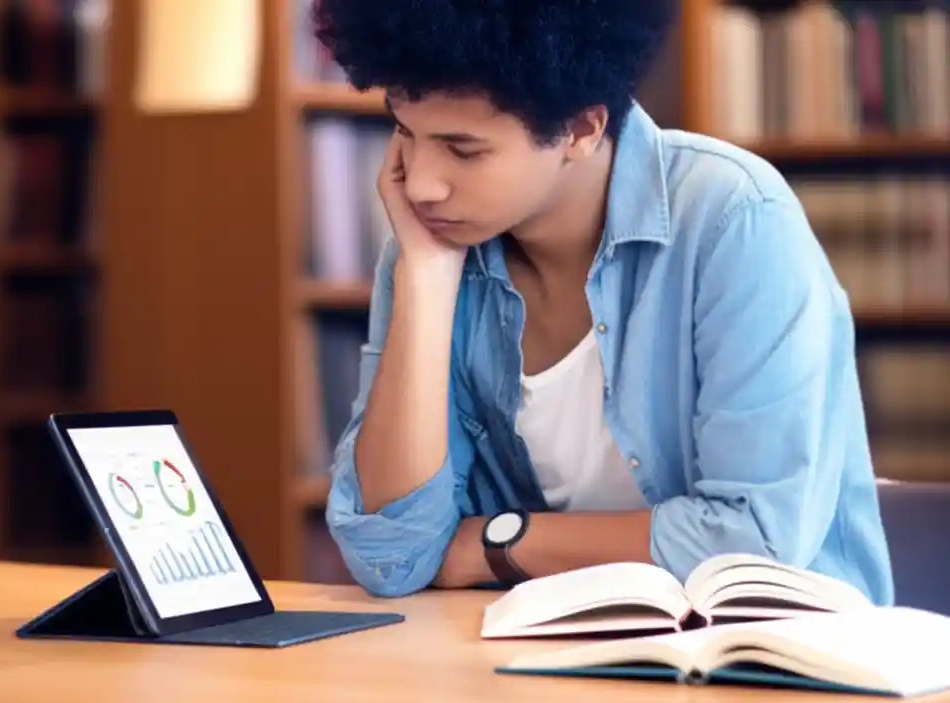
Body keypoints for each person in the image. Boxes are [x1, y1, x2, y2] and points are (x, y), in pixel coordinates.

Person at [314, 0, 894, 603]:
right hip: (544, 664)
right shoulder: (434, 241)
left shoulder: (733, 220)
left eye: (464, 150)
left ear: (582, 129)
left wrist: (495, 543)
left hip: (772, 658)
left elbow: (753, 544)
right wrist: (426, 282)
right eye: (406, 133)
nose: (423, 184)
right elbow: (392, 557)